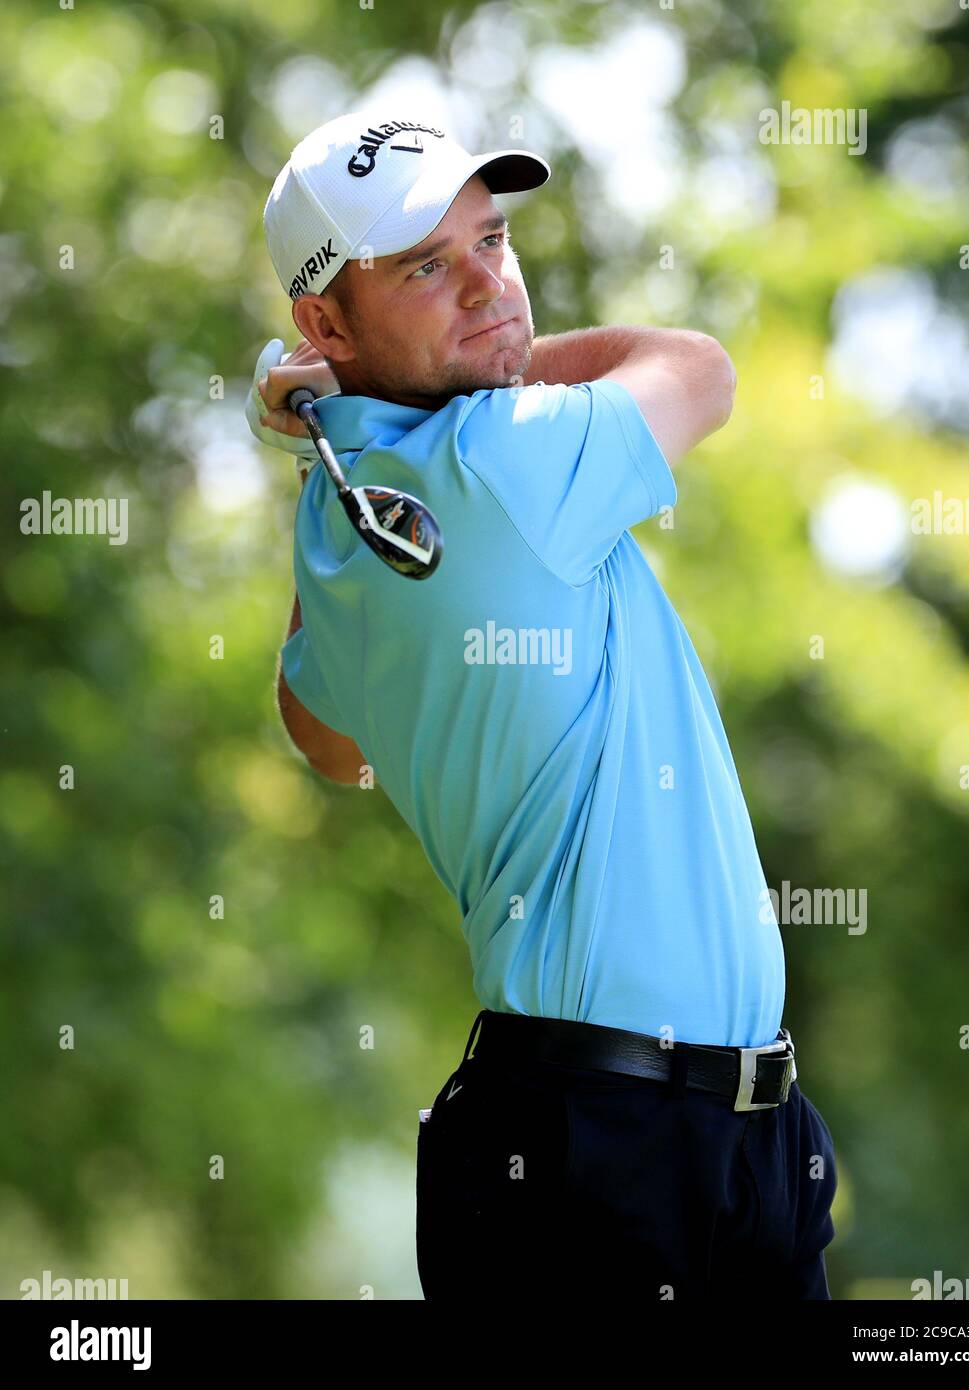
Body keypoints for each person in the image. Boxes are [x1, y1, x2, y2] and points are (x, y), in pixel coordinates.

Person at [247, 109, 838, 1300]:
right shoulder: (494, 457)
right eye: (425, 266)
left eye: (490, 241)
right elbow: (697, 370)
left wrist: (330, 437)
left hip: (705, 1137)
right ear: (323, 324)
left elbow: (320, 736)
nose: (488, 286)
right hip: (602, 1144)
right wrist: (398, 407)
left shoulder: (338, 527)